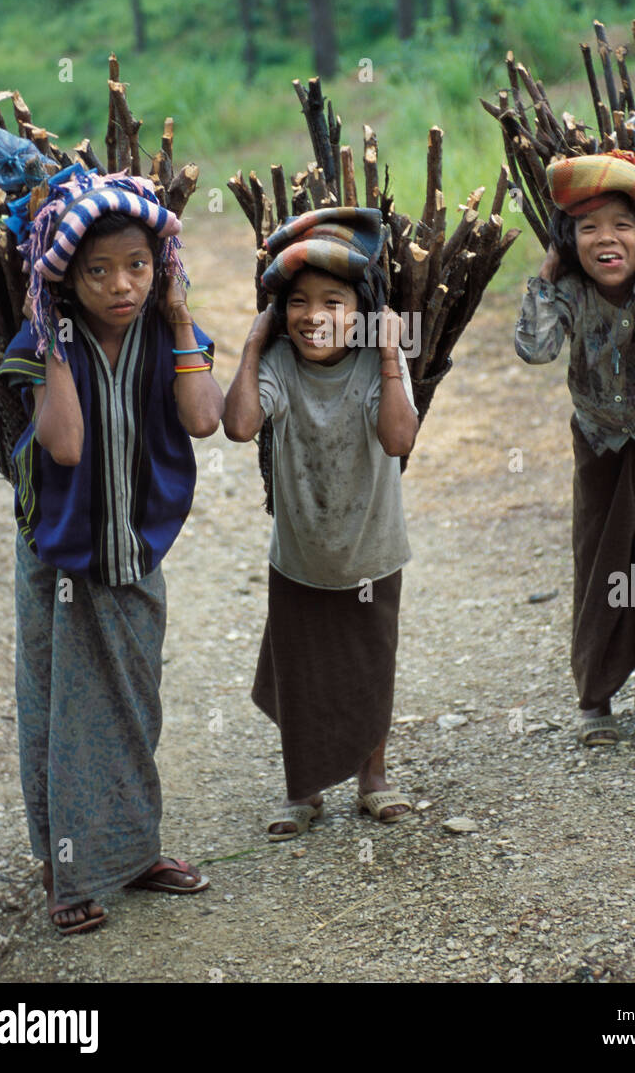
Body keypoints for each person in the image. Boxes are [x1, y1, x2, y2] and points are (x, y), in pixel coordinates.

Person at [0, 169, 223, 933]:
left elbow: (203, 419)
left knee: (130, 708)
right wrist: (53, 323)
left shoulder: (168, 333)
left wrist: (182, 310)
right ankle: (68, 875)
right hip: (63, 561)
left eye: (138, 265)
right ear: (66, 277)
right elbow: (63, 446)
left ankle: (133, 851)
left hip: (135, 553)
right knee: (65, 711)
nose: (121, 285)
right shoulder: (44, 339)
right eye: (97, 271)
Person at [222, 207, 420, 838]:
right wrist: (253, 346)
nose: (314, 316)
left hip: (371, 550)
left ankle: (373, 776)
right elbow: (240, 424)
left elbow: (398, 438)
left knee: (370, 666)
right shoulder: (278, 363)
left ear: (362, 311)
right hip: (300, 555)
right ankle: (302, 790)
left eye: (333, 301)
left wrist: (390, 354)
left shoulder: (376, 363)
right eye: (299, 303)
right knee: (302, 670)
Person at [514, 150, 635, 746]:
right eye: (588, 228)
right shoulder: (571, 291)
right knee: (604, 561)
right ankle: (596, 700)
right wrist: (549, 274)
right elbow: (534, 349)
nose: (607, 240)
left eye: (623, 226)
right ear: (568, 240)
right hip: (601, 442)